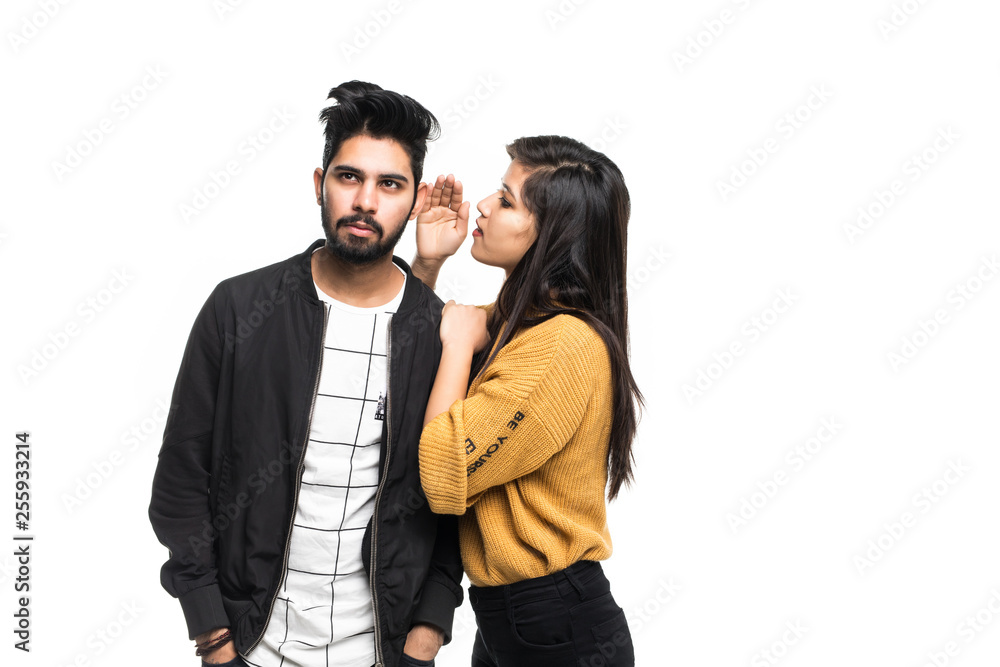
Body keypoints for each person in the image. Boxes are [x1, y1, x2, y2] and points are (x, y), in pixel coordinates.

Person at [148, 80, 465, 667]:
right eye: (349, 177)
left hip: (383, 652)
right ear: (320, 184)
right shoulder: (239, 309)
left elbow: (451, 498)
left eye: (390, 184)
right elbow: (180, 482)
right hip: (251, 647)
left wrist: (427, 633)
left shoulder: (442, 333)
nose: (365, 201)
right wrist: (213, 638)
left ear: (417, 199)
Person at [412, 135, 642, 666]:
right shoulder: (519, 322)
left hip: (556, 622)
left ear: (554, 236)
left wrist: (459, 345)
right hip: (514, 617)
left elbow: (441, 473)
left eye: (506, 200)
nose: (483, 206)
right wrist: (427, 264)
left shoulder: (560, 344)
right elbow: (411, 363)